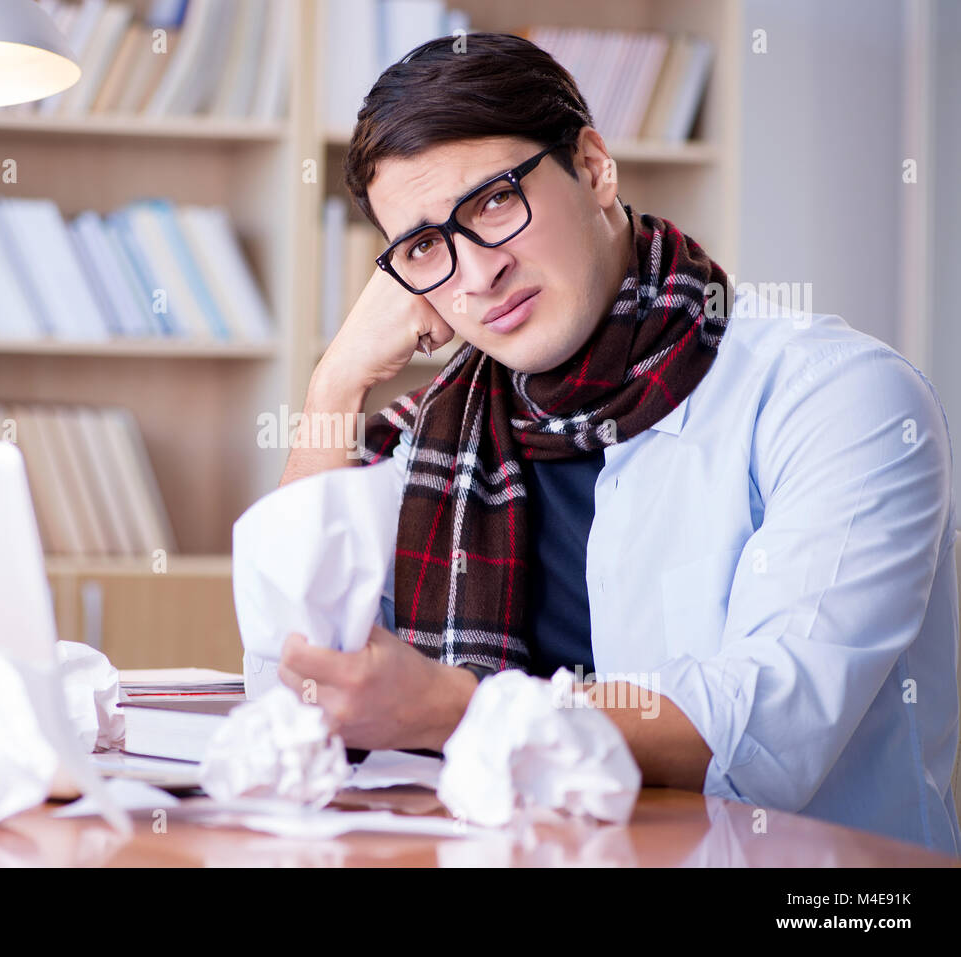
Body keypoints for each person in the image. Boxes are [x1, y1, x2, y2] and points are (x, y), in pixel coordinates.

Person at [273, 32, 960, 854]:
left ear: (595, 167)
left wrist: (453, 709)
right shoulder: (435, 436)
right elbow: (293, 692)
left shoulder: (840, 396)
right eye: (425, 246)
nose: (475, 274)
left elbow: (765, 737)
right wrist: (333, 385)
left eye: (493, 202)